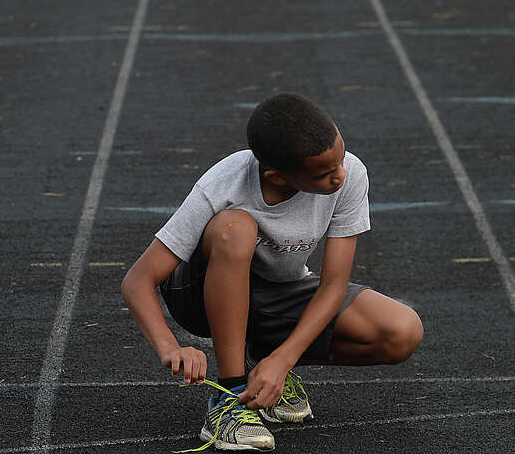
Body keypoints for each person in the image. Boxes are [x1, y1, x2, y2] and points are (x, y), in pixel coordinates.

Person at [121, 93, 423, 452]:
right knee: (236, 228)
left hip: (279, 290)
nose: (340, 175)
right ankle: (230, 398)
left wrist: (282, 359)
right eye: (326, 173)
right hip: (199, 295)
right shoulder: (224, 183)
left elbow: (333, 286)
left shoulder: (350, 174)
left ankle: (258, 360)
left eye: (340, 161)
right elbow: (138, 280)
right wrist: (169, 348)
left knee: (402, 332)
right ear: (278, 177)